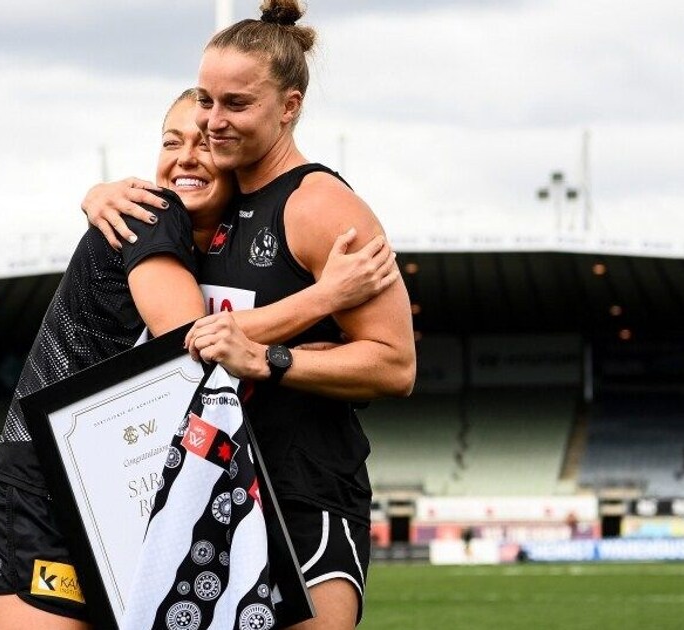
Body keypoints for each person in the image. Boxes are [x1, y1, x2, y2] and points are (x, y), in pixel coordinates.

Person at [0, 90, 398, 629]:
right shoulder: (153, 212)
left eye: (204, 143)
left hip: (125, 501)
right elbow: (187, 345)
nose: (185, 156)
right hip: (44, 487)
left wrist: (297, 353)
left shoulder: (234, 247)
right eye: (170, 142)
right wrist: (324, 298)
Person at [82, 3, 416, 627]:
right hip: (208, 492)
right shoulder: (208, 200)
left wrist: (269, 359)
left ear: (289, 106)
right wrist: (99, 192)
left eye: (236, 104)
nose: (213, 121)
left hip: (302, 492)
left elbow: (395, 365)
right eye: (205, 101)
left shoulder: (322, 204)